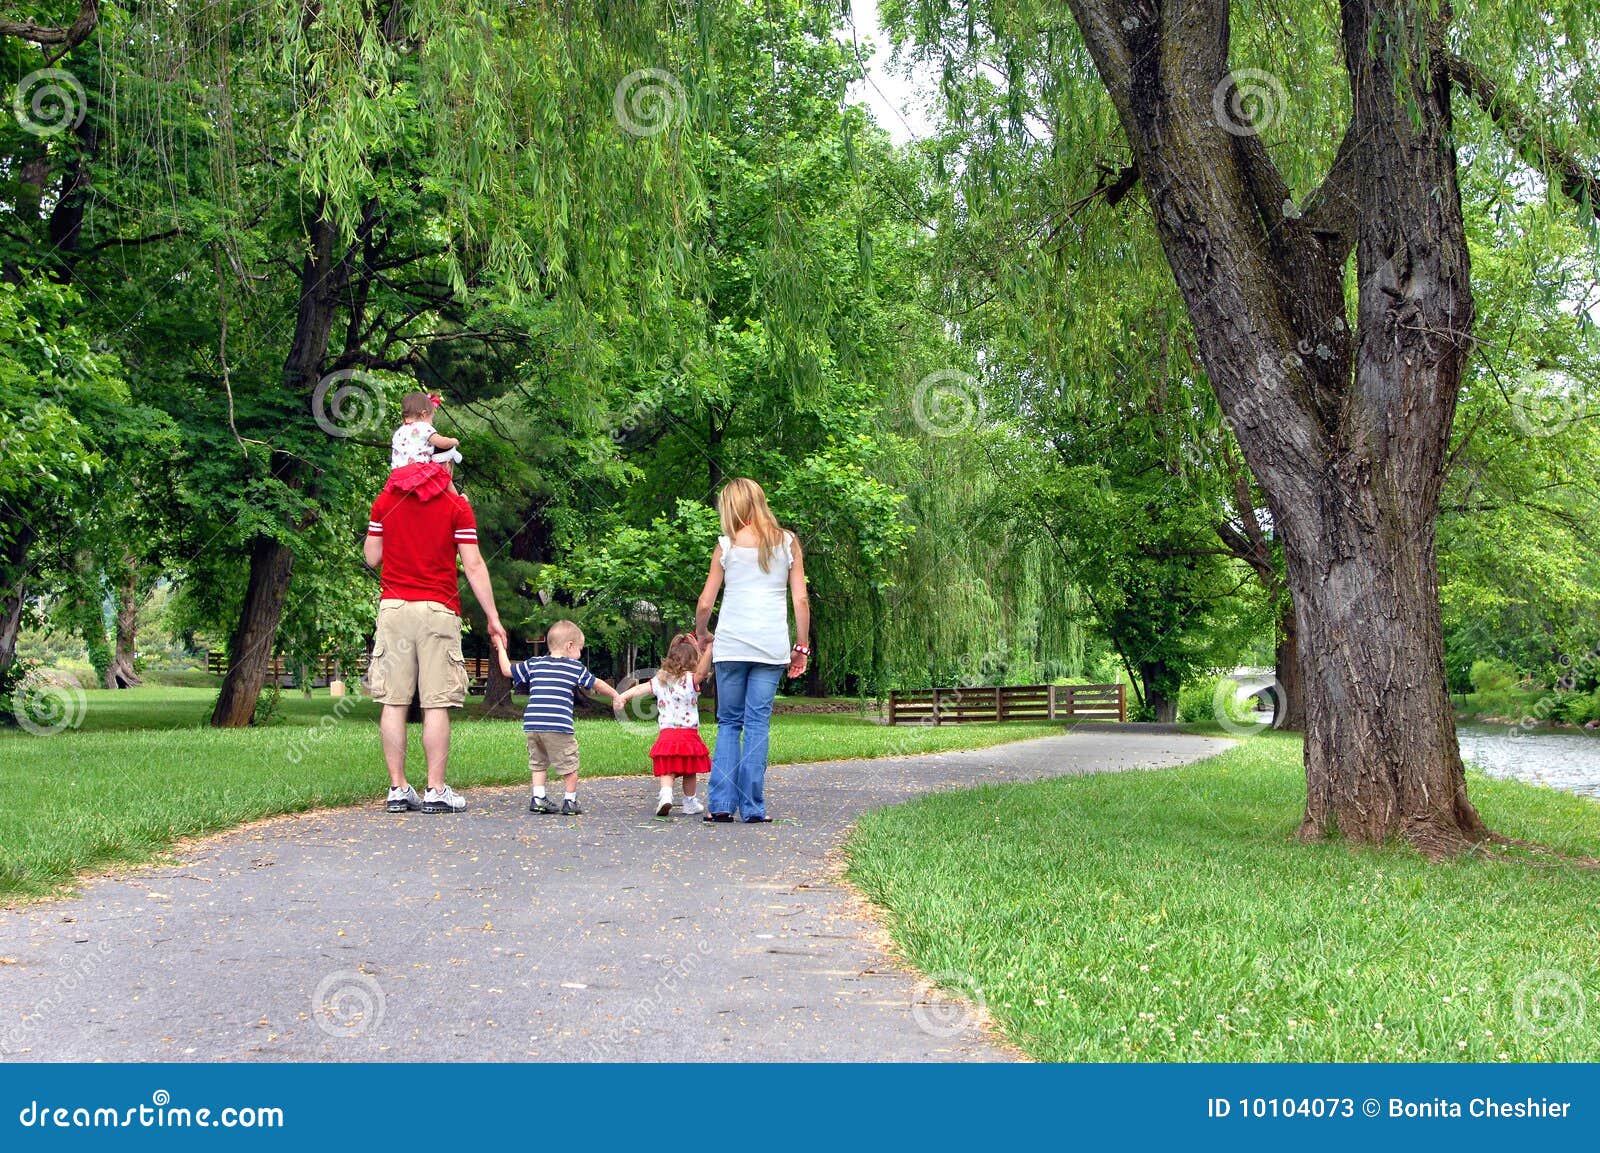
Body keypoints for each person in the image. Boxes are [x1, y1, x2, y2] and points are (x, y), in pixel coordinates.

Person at [364, 458, 505, 814]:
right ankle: (435, 789)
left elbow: (371, 557)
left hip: (394, 608)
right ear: (448, 469)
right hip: (437, 611)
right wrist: (493, 618)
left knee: (393, 702)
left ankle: (397, 788)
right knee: (435, 703)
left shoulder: (385, 501)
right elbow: (472, 565)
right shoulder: (456, 507)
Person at [694, 478, 810, 823]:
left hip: (730, 646)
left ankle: (720, 807)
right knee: (757, 723)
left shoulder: (726, 546)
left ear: (732, 508)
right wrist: (801, 646)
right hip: (770, 647)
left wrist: (702, 634)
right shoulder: (788, 543)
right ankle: (754, 809)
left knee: (729, 723)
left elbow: (704, 603)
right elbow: (800, 599)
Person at [493, 620, 621, 815]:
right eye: (580, 648)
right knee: (570, 762)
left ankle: (538, 798)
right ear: (570, 646)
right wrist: (615, 695)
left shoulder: (535, 663)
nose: (579, 653)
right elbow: (596, 684)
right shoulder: (574, 667)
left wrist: (501, 647)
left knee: (538, 762)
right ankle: (570, 801)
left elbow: (506, 670)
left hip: (533, 725)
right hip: (558, 725)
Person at [613, 632, 714, 817]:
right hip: (688, 734)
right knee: (689, 770)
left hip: (667, 734)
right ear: (693, 661)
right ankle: (689, 802)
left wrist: (623, 697)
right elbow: (701, 672)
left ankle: (665, 795)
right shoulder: (691, 680)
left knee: (668, 768)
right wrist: (709, 649)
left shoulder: (660, 680)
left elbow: (639, 689)